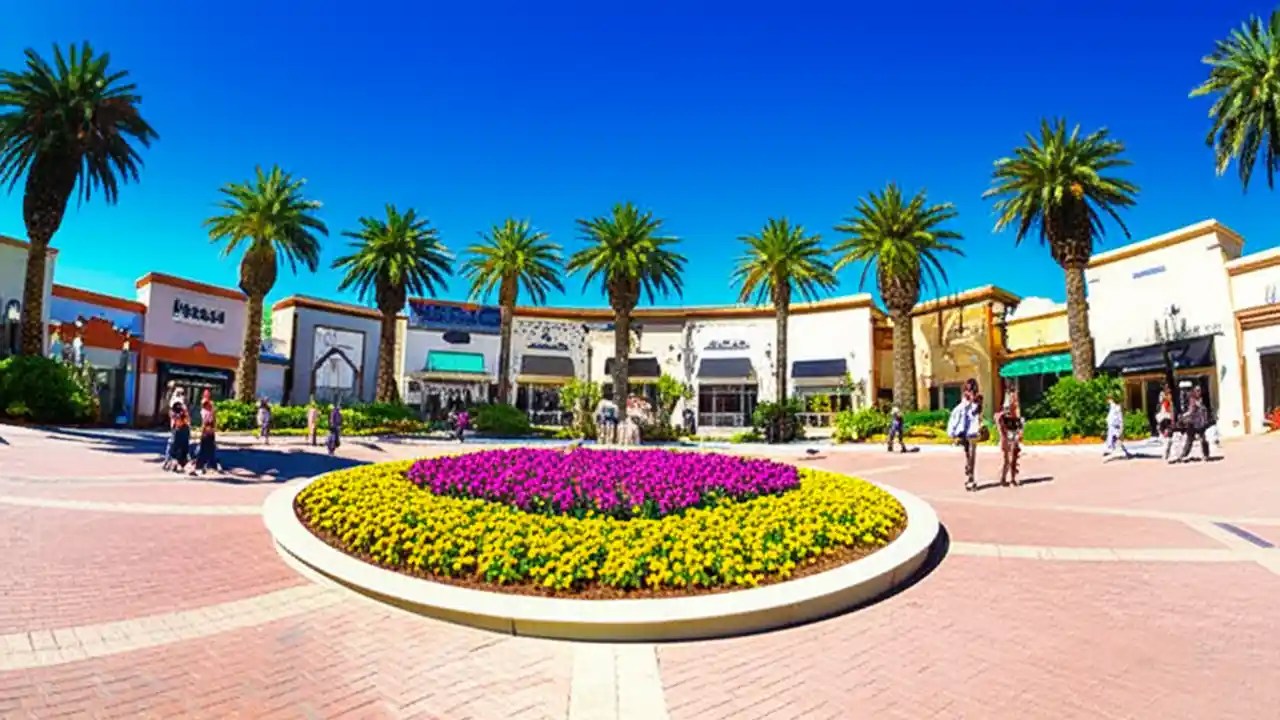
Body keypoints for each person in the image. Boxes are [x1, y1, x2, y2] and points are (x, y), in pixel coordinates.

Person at [947, 378, 984, 491]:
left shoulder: (978, 399)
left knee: (972, 454)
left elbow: (977, 412)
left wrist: (973, 400)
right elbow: (958, 413)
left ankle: (971, 478)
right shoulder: (964, 401)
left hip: (973, 431)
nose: (969, 391)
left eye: (971, 388)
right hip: (963, 431)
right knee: (968, 454)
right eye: (968, 389)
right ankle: (969, 470)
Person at [1174, 386, 1212, 463]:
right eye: (1197, 390)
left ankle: (1206, 455)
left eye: (1200, 390)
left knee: (1203, 439)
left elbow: (1203, 410)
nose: (1199, 392)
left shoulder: (1200, 400)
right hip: (1192, 423)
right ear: (1194, 391)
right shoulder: (1192, 400)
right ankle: (1183, 456)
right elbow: (1191, 411)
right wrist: (1184, 416)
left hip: (1200, 423)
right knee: (1190, 440)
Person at [995, 390, 1024, 486]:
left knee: (1014, 459)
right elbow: (999, 422)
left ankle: (1012, 479)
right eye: (1012, 399)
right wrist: (1003, 437)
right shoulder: (1004, 415)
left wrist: (1020, 433)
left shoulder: (1016, 414)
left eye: (1015, 400)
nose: (1014, 402)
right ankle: (1003, 478)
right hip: (1007, 438)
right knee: (1008, 460)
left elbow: (1020, 426)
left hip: (1014, 437)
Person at [193, 390, 219, 475]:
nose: (206, 406)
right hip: (206, 432)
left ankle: (210, 465)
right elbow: (204, 422)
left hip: (209, 431)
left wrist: (214, 428)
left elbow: (214, 420)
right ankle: (201, 465)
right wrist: (202, 429)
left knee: (210, 449)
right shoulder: (204, 411)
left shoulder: (211, 410)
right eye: (205, 405)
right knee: (204, 449)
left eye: (207, 404)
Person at [161, 387, 187, 471]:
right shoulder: (177, 403)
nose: (182, 395)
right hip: (178, 426)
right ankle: (169, 462)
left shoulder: (178, 403)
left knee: (178, 446)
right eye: (180, 393)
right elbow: (175, 413)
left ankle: (174, 463)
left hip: (181, 426)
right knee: (174, 445)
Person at [1103, 395, 1131, 460]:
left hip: (1115, 426)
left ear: (1112, 400)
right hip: (1112, 426)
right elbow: (1111, 416)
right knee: (1115, 440)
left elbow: (1119, 417)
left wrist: (1121, 426)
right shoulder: (1112, 407)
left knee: (1115, 439)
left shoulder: (1116, 407)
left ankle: (1111, 452)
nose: (1108, 401)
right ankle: (1125, 453)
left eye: (1109, 399)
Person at [169, 401, 191, 473]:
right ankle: (176, 464)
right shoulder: (176, 412)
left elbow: (186, 420)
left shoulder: (181, 413)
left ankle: (180, 464)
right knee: (177, 448)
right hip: (179, 431)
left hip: (182, 431)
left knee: (181, 449)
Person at [1155, 383, 1175, 461]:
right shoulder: (1162, 395)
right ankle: (1166, 452)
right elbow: (1161, 401)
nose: (1167, 390)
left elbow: (1170, 402)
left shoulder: (1170, 396)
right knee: (1165, 435)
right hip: (1163, 415)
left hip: (1168, 415)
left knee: (1169, 435)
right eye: (1166, 388)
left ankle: (1167, 452)